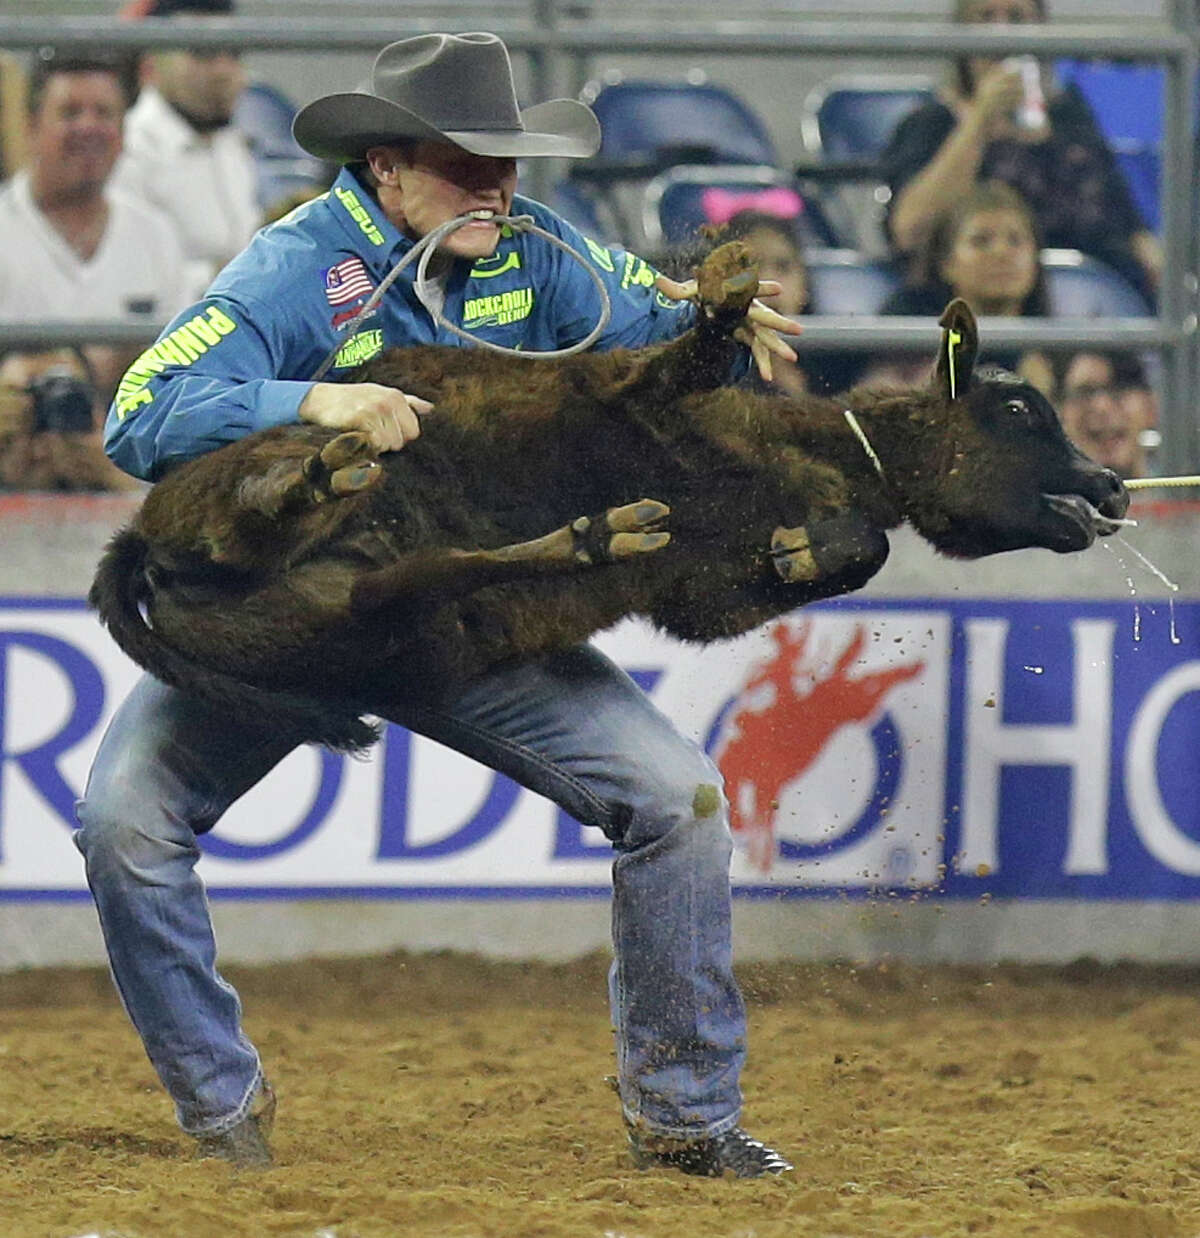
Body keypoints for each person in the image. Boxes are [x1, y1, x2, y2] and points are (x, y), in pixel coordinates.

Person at [77, 32, 799, 1177]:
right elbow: (142, 412)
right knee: (125, 825)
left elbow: (648, 312)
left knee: (679, 798)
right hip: (299, 613)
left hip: (473, 611)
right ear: (386, 167)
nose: (497, 187)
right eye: (468, 162)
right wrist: (318, 400)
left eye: (507, 164)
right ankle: (222, 1110)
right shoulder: (292, 268)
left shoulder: (537, 249)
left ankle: (687, 1114)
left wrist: (710, 320)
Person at [881, 0, 1161, 306]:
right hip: (976, 303)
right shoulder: (930, 124)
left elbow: (1126, 219)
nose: (1002, 32)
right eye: (985, 17)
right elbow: (910, 230)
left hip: (1092, 302)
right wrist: (978, 121)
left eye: (1016, 17)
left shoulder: (1070, 115)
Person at [0, 46, 186, 488]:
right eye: (69, 112)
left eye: (104, 113)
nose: (89, 127)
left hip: (124, 478)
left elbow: (186, 384)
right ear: (29, 126)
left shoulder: (156, 236)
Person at [113, 0, 260, 296]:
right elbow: (128, 280)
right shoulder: (127, 152)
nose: (223, 71)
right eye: (202, 52)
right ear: (151, 65)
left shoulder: (230, 144)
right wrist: (236, 273)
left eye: (233, 53)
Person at [862, 180, 1053, 393]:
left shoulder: (1064, 344)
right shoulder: (904, 335)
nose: (1002, 253)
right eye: (981, 241)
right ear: (946, 263)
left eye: (1015, 240)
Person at [1055, 349, 1156, 480]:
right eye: (1085, 392)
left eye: (1119, 388)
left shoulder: (1183, 493)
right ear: (1059, 413)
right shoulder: (1034, 499)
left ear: (1150, 407)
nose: (1101, 406)